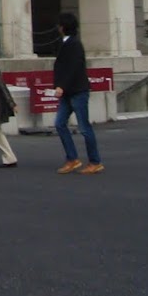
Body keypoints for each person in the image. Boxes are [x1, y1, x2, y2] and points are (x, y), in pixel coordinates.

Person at [52, 11, 102, 175]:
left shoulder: (74, 44)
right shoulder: (64, 43)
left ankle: (95, 161)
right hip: (68, 91)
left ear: (63, 27)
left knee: (84, 127)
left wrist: (61, 86)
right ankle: (72, 158)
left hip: (77, 91)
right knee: (60, 123)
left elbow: (73, 68)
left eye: (59, 24)